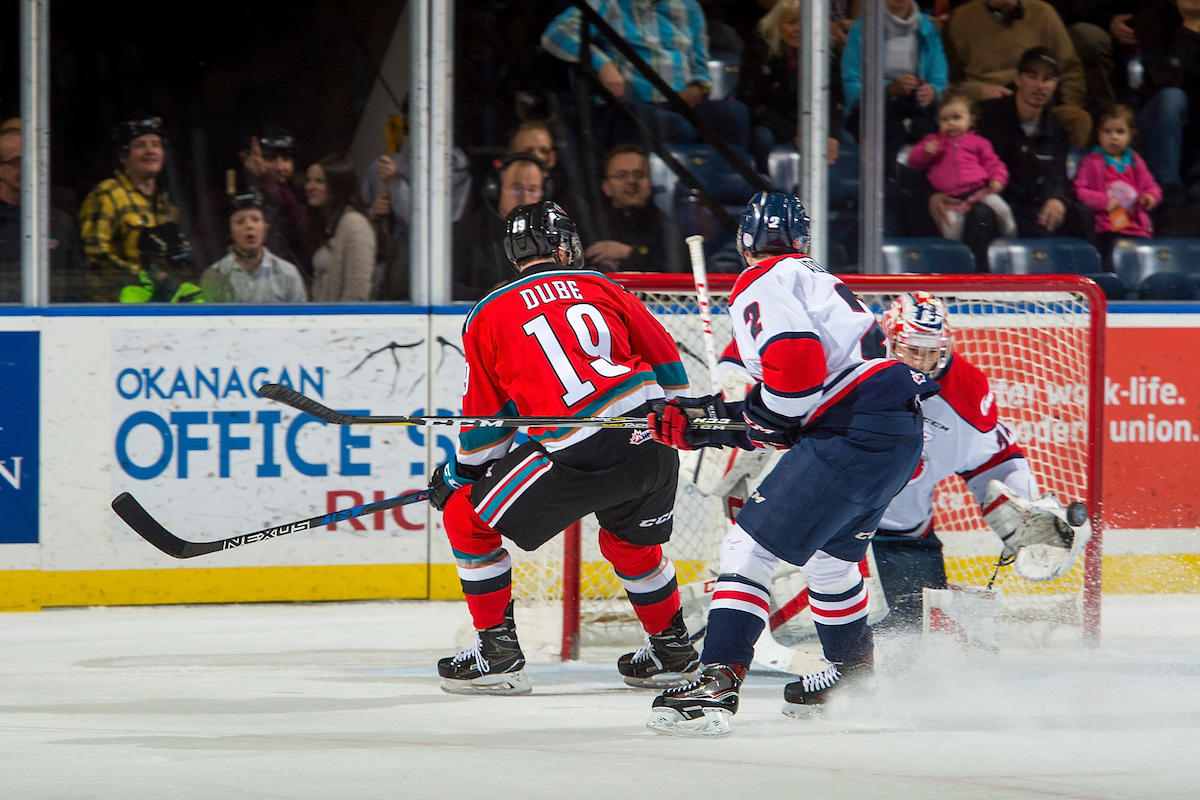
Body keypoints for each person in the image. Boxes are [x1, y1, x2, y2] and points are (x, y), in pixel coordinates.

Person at [643, 192, 936, 737]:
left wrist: (740, 419)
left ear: (744, 242)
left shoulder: (763, 279)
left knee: (747, 547)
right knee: (830, 562)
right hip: (894, 433)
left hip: (853, 431)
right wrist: (717, 418)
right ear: (803, 237)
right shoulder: (816, 279)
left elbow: (795, 373)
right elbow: (792, 402)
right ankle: (852, 677)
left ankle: (716, 682)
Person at [428, 200, 699, 695]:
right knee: (631, 543)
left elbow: (489, 426)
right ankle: (672, 650)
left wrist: (459, 476)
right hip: (652, 444)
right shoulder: (603, 286)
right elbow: (671, 374)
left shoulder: (487, 312)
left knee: (465, 516)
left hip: (581, 453)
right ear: (563, 244)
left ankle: (497, 654)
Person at [870, 292, 1084, 630]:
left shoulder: (964, 394)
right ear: (890, 340)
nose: (921, 362)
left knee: (910, 640)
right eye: (912, 350)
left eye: (930, 352)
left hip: (900, 537)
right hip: (828, 522)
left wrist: (1026, 507)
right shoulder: (852, 362)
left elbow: (994, 460)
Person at [944, 47, 1094, 269]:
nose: (1040, 85)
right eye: (1032, 76)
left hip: (1033, 209)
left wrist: (1057, 199)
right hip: (995, 202)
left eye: (1047, 79)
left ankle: (1082, 293)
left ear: (1055, 85)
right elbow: (953, 150)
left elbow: (1058, 175)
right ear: (1017, 79)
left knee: (1081, 214)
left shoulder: (1057, 127)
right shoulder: (988, 116)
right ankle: (976, 292)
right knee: (981, 216)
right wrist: (937, 194)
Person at [541, 0, 751, 149]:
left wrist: (698, 88)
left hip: (681, 105)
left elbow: (701, 70)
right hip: (629, 106)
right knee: (674, 127)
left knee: (735, 114)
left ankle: (727, 195)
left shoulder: (690, 7)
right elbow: (555, 35)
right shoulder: (606, 2)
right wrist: (602, 63)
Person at [944, 0, 1093, 146]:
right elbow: (948, 82)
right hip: (987, 106)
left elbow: (1070, 70)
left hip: (1038, 104)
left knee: (1077, 120)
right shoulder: (961, 18)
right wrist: (979, 91)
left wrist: (1060, 109)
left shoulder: (1043, 13)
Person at [79, 116, 184, 302]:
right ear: (123, 156)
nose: (150, 151)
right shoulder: (108, 194)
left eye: (156, 144)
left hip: (159, 305)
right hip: (115, 309)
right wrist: (141, 278)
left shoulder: (165, 203)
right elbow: (95, 253)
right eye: (141, 145)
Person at [738, 0, 846, 172]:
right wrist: (794, 134)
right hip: (771, 124)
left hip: (814, 125)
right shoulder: (759, 51)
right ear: (778, 25)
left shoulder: (828, 54)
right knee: (762, 138)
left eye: (805, 22)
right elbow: (751, 103)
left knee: (846, 143)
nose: (798, 29)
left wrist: (831, 134)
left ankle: (838, 196)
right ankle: (767, 190)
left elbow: (835, 99)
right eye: (791, 22)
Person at [842, 0, 947, 165]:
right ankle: (888, 187)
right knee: (891, 128)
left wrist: (932, 93)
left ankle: (931, 190)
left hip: (916, 108)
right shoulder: (862, 28)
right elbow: (851, 86)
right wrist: (888, 89)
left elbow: (940, 82)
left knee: (927, 132)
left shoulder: (928, 29)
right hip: (870, 111)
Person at [908, 90, 1017, 241]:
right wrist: (925, 152)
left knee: (1003, 210)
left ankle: (1010, 240)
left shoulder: (979, 142)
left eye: (956, 117)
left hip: (978, 191)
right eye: (944, 119)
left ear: (971, 120)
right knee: (950, 228)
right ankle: (958, 257)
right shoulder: (933, 141)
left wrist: (997, 178)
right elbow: (914, 161)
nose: (950, 123)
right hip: (950, 198)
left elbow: (993, 163)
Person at [0, 126, 90, 303]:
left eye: (32, 161)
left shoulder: (59, 223)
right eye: (17, 162)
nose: (26, 169)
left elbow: (77, 286)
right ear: (1, 170)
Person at [1073, 104, 1162, 266]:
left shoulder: (1135, 161)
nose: (1113, 137)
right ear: (1098, 134)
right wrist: (1104, 202)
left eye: (1120, 132)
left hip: (1137, 228)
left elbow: (1152, 186)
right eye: (1107, 131)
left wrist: (1150, 197)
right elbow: (1079, 191)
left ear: (1130, 135)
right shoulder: (1091, 161)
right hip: (1107, 228)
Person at [1129, 0, 1200, 203]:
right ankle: (1165, 186)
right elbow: (1163, 79)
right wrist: (1190, 30)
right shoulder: (1153, 19)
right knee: (1172, 97)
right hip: (1156, 117)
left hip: (1194, 119)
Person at [451, 153, 546, 300]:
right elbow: (446, 290)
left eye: (532, 190)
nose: (525, 199)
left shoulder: (553, 238)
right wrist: (487, 296)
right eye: (516, 189)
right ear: (495, 190)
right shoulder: (464, 233)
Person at [583, 144, 688, 273]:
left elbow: (676, 269)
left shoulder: (667, 229)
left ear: (650, 183)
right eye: (621, 175)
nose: (631, 181)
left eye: (639, 175)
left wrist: (628, 254)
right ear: (606, 187)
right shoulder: (587, 225)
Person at [200, 191, 308, 303]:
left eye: (255, 219)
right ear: (229, 231)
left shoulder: (287, 273)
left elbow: (300, 317)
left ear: (266, 227)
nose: (249, 226)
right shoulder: (215, 275)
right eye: (240, 222)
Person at [305, 156, 376, 302]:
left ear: (338, 185)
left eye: (319, 181)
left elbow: (357, 293)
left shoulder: (355, 224)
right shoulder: (329, 223)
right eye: (308, 180)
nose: (309, 187)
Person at [240, 128, 308, 271]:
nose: (280, 167)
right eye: (270, 158)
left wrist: (267, 178)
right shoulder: (224, 200)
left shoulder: (302, 197)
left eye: (286, 159)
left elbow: (300, 225)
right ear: (246, 158)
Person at [118, 223, 203, 303]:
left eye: (176, 266)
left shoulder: (191, 291)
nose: (170, 273)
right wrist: (162, 292)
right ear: (147, 264)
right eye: (162, 267)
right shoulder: (133, 292)